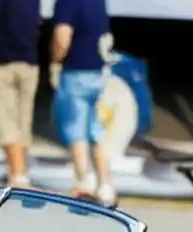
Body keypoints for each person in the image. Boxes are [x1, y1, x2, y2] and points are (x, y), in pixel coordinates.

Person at [49, 0, 113, 205]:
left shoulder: (66, 3)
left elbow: (62, 37)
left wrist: (55, 59)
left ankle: (83, 182)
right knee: (96, 130)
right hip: (98, 72)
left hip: (76, 71)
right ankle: (105, 183)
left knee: (76, 129)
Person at [0, 0, 39, 187]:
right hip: (30, 62)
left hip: (2, 63)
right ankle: (21, 169)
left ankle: (17, 174)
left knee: (6, 122)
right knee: (24, 122)